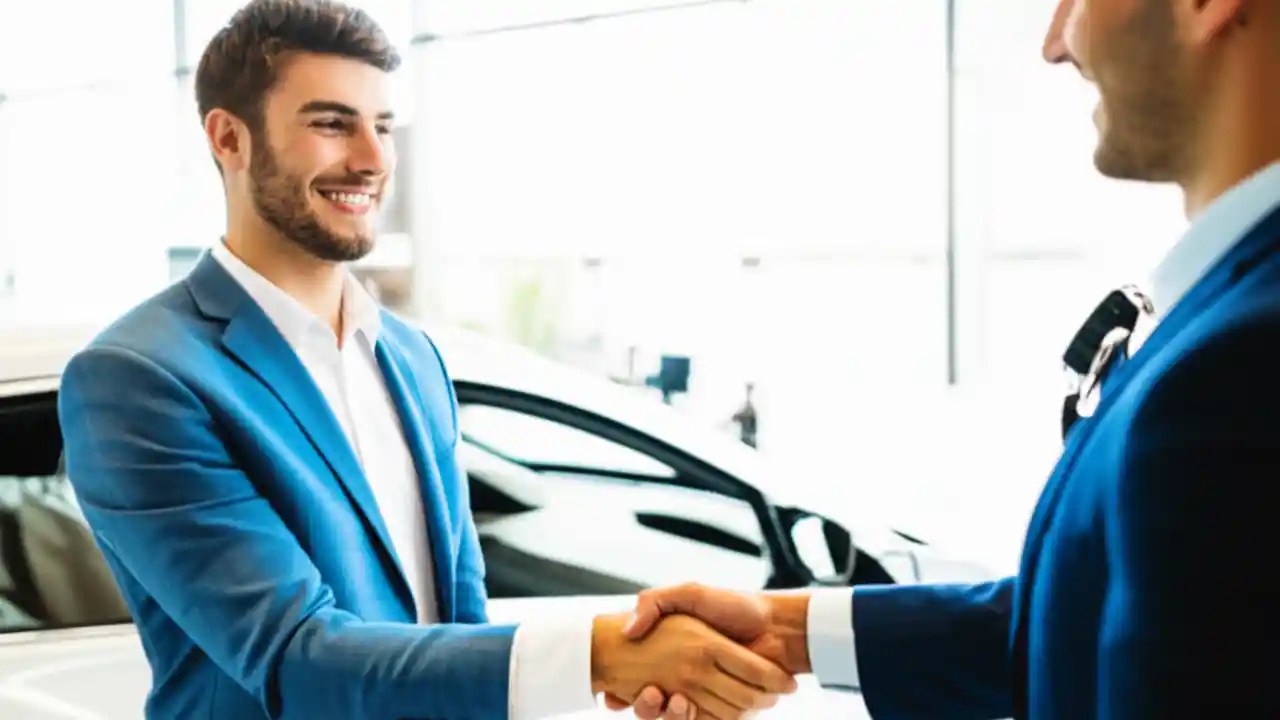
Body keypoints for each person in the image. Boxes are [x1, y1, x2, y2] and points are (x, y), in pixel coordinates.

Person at [55, 2, 795, 718]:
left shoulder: (411, 359)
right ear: (229, 138)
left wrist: (638, 674)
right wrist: (604, 657)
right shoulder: (138, 377)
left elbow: (458, 628)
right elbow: (296, 659)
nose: (374, 159)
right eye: (331, 123)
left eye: (383, 125)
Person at [612, 0, 1280, 717]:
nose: (1056, 42)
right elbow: (1103, 618)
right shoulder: (1225, 319)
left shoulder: (1239, 364)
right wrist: (785, 631)